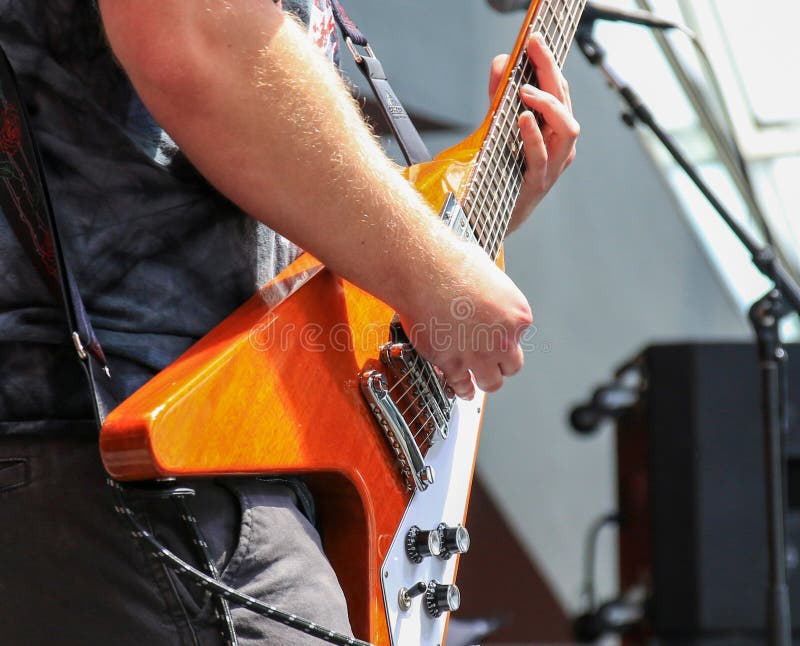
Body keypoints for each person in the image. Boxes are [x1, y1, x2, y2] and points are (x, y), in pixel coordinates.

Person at [0, 0, 578, 644]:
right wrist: (434, 272)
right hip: (153, 461)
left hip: (171, 467)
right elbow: (194, 34)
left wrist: (461, 228)